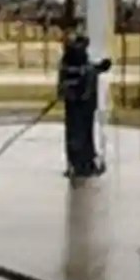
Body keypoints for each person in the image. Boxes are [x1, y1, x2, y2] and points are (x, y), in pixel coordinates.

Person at [57, 34, 111, 178]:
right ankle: (82, 164)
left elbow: (85, 71)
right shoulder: (74, 58)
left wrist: (99, 68)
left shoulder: (69, 59)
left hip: (77, 103)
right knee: (81, 133)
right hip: (81, 103)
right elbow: (85, 72)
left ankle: (79, 163)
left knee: (79, 132)